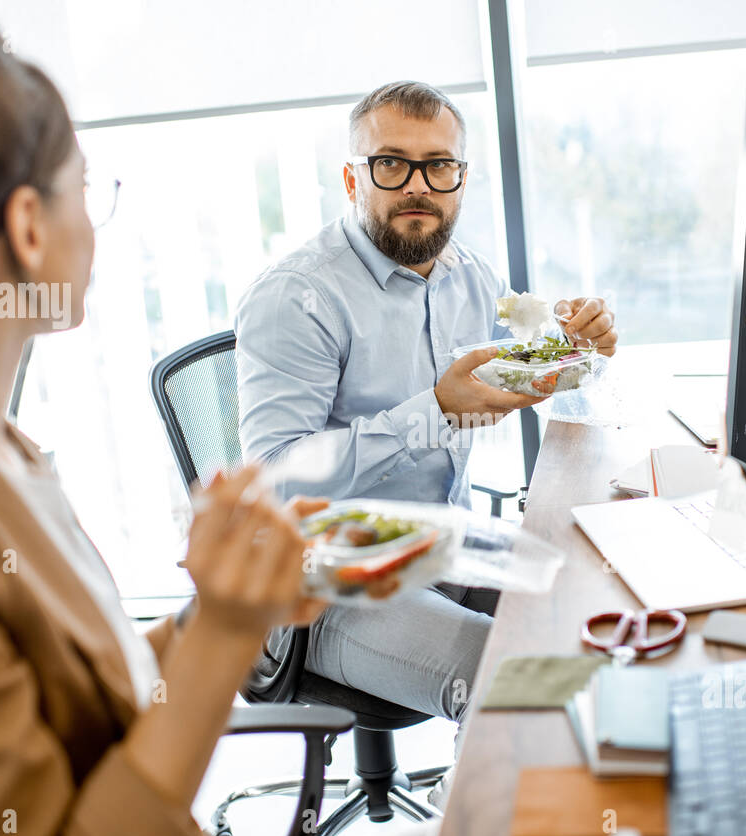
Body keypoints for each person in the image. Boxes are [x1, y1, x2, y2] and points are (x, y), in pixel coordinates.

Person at [0, 0, 436, 836]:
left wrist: (224, 615)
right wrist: (221, 633)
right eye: (84, 189)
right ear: (30, 227)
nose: (94, 224)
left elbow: (90, 699)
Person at [235, 81, 620, 775]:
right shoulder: (296, 297)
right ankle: (469, 833)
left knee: (585, 617)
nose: (418, 184)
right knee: (511, 677)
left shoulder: (468, 276)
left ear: (461, 180)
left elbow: (501, 378)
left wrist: (570, 350)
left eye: (439, 165)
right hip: (318, 583)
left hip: (440, 541)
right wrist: (433, 411)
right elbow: (276, 480)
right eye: (392, 163)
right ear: (354, 177)